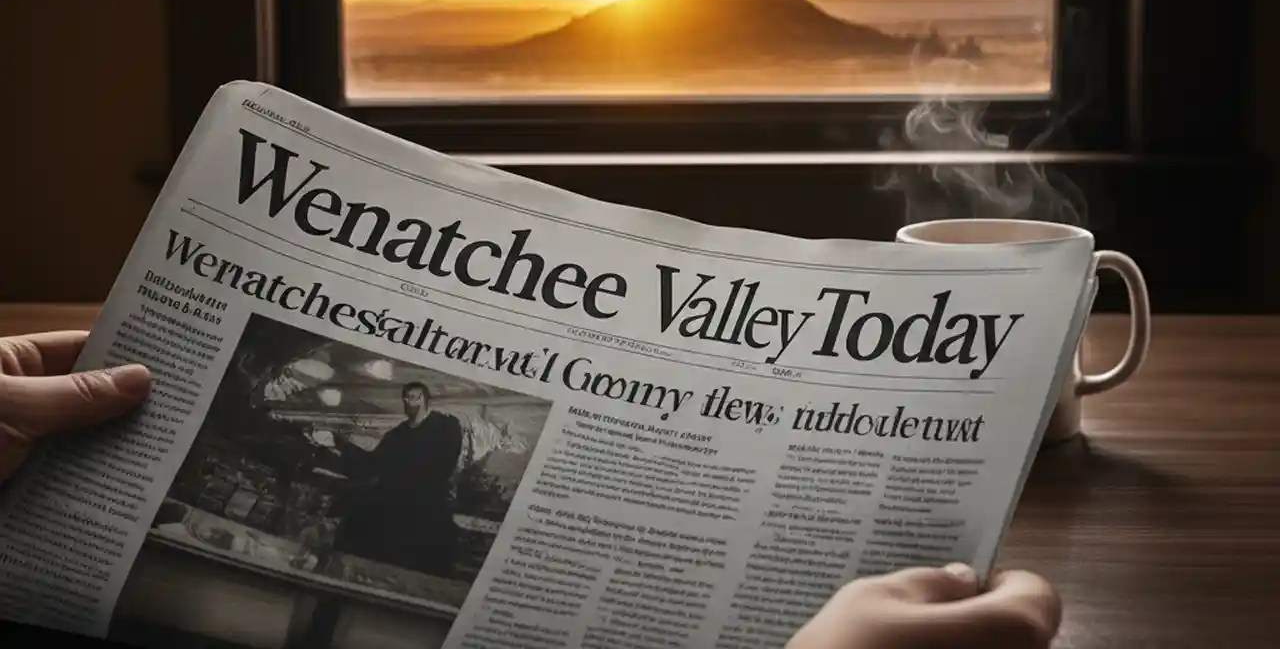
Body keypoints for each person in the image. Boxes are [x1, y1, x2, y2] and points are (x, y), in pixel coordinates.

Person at [0, 330, 1063, 648]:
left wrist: (356, 456)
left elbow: (405, 471)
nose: (411, 401)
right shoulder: (406, 436)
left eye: (415, 393)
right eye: (408, 393)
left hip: (405, 530)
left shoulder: (445, 426)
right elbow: (374, 470)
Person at [330, 380, 464, 577]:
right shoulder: (396, 435)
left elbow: (442, 465)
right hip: (393, 506)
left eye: (415, 397)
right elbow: (370, 465)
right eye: (407, 398)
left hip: (426, 508)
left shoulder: (446, 427)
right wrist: (342, 445)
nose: (410, 402)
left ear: (426, 400)